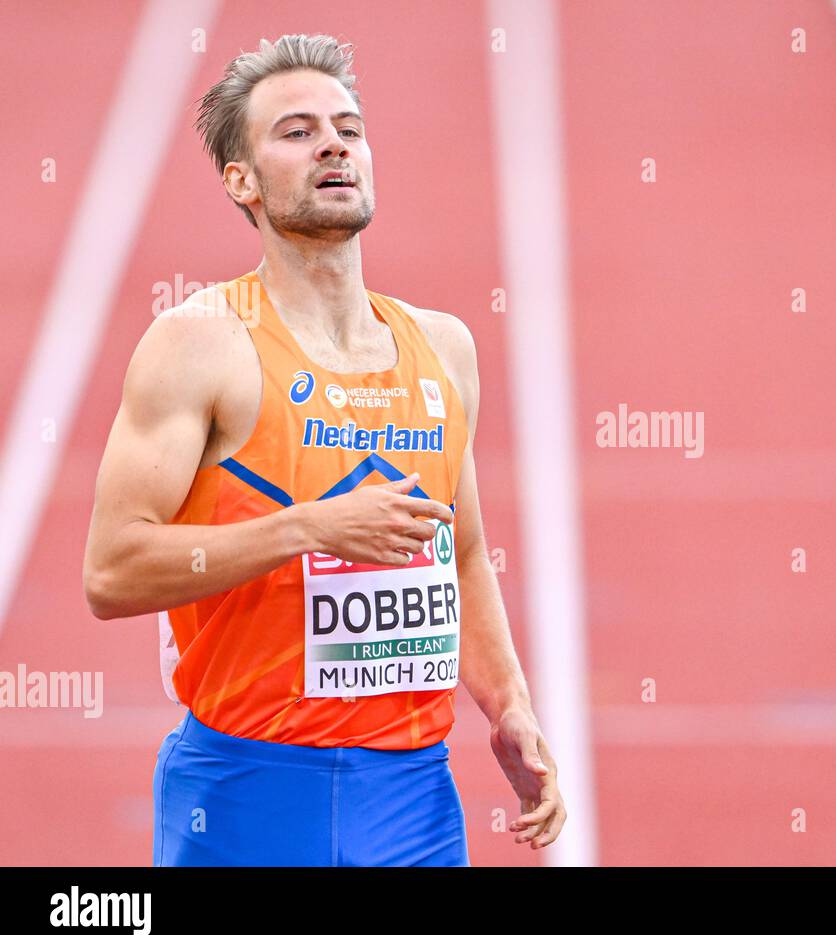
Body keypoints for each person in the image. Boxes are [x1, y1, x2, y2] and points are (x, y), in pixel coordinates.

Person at [82, 33, 565, 865]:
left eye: (348, 126)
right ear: (243, 181)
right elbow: (111, 573)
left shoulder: (443, 348)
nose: (334, 143)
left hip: (414, 795)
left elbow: (464, 553)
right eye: (297, 131)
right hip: (246, 790)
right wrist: (309, 529)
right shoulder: (201, 344)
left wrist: (510, 704)